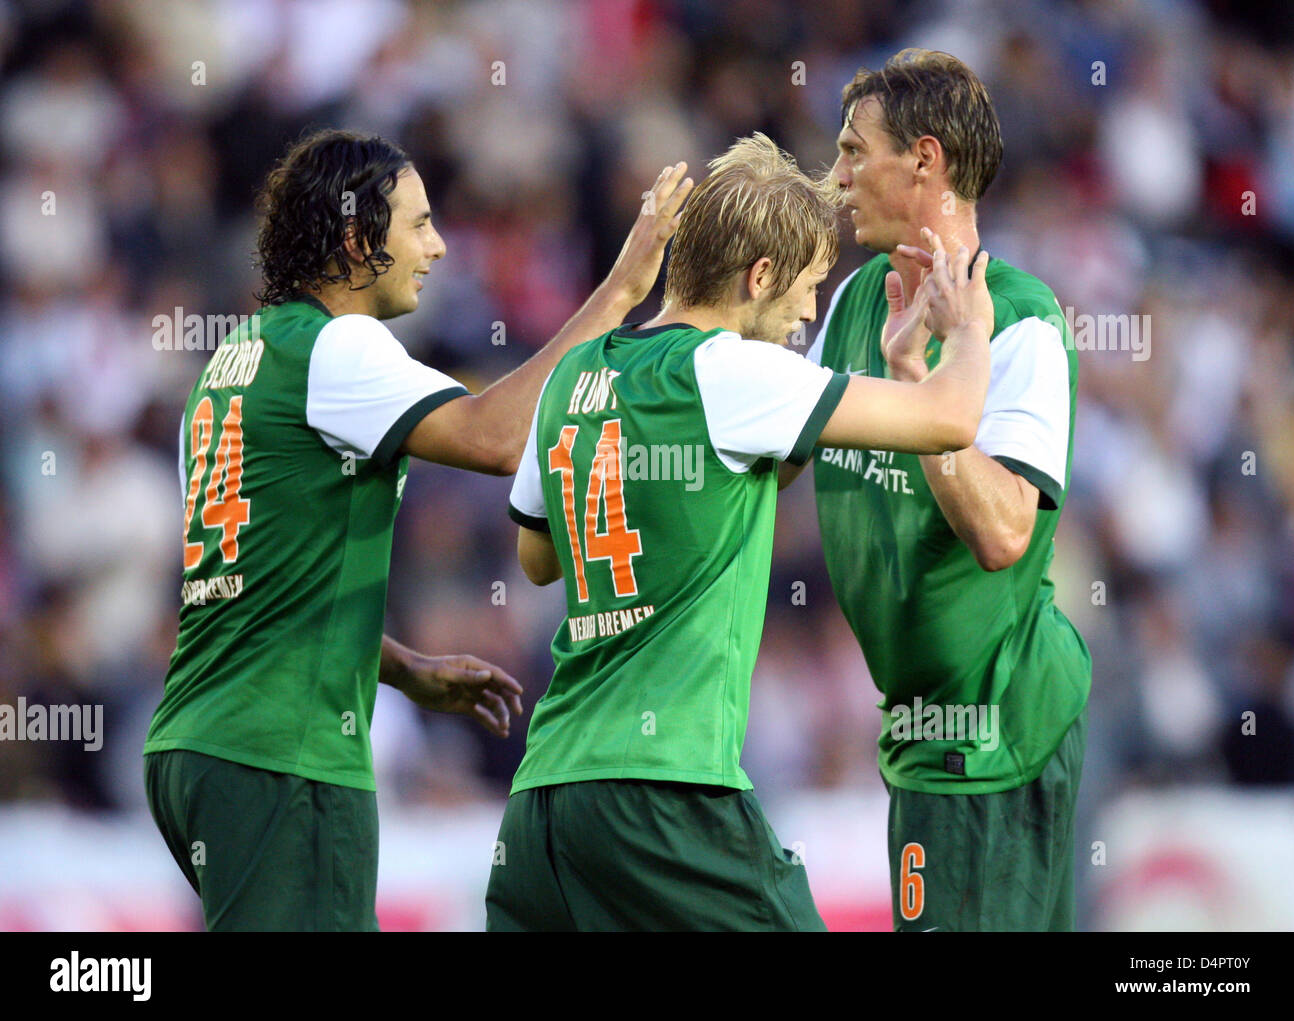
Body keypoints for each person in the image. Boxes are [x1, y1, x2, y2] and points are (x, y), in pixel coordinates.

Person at [142, 128, 693, 931]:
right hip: (281, 754)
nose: (437, 246)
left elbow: (257, 585)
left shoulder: (238, 356)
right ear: (359, 238)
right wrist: (617, 294)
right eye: (418, 224)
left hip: (200, 743)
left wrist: (401, 668)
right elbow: (496, 438)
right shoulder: (339, 349)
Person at [486, 133, 994, 931]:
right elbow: (950, 419)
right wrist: (961, 333)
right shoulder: (734, 372)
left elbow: (538, 556)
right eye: (803, 290)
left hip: (544, 802)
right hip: (668, 797)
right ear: (759, 275)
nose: (804, 315)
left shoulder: (573, 377)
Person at [799, 49, 1091, 931]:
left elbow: (1004, 532)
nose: (837, 177)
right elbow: (771, 449)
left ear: (925, 160)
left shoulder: (1022, 320)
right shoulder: (854, 302)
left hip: (993, 733)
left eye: (855, 153)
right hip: (924, 733)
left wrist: (918, 379)